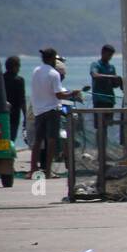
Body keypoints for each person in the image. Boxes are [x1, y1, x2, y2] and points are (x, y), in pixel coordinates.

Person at [30, 47, 82, 177]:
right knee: (52, 140)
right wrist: (72, 93)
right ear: (53, 59)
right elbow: (59, 95)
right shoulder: (54, 74)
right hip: (52, 110)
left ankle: (32, 169)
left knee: (37, 141)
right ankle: (48, 171)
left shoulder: (36, 71)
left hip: (38, 110)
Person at [4, 56, 25, 144]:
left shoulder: (0, 78)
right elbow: (22, 100)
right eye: (18, 66)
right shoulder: (19, 80)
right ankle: (8, 155)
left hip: (1, 112)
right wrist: (25, 116)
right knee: (11, 139)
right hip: (14, 115)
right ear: (15, 67)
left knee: (3, 137)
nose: (19, 69)